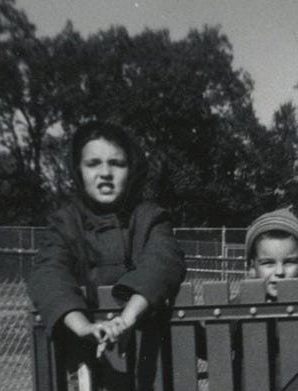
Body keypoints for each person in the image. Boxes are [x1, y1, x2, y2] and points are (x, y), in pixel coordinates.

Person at [28, 120, 185, 353]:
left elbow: (162, 263)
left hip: (151, 358)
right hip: (81, 356)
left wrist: (127, 317)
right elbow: (48, 274)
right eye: (93, 164)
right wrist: (83, 327)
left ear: (131, 170)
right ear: (78, 171)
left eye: (117, 164)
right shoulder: (64, 223)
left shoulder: (150, 218)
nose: (105, 173)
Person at [244, 207, 298, 299]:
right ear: (252, 267)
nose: (279, 272)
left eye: (289, 262)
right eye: (268, 263)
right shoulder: (235, 311)